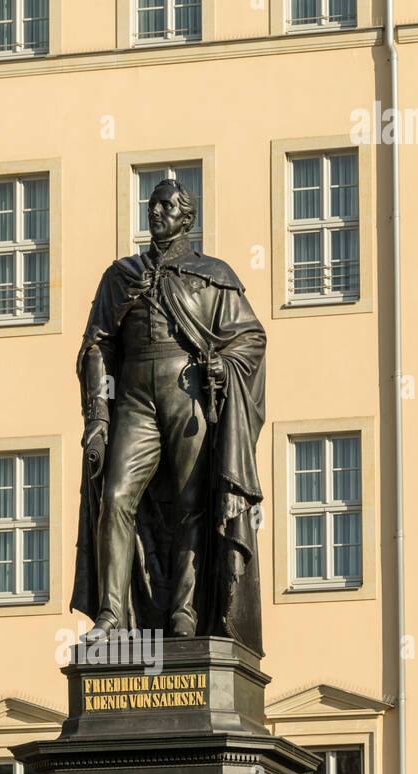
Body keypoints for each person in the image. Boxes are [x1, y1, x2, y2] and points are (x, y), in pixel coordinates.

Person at [72, 178, 267, 651]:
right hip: (134, 393)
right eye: (152, 205)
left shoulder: (212, 274)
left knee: (191, 504)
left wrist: (225, 364)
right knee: (116, 495)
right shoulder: (120, 276)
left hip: (189, 391)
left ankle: (186, 613)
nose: (155, 212)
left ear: (187, 216)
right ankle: (112, 614)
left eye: (165, 205)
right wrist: (98, 416)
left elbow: (250, 338)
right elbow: (97, 344)